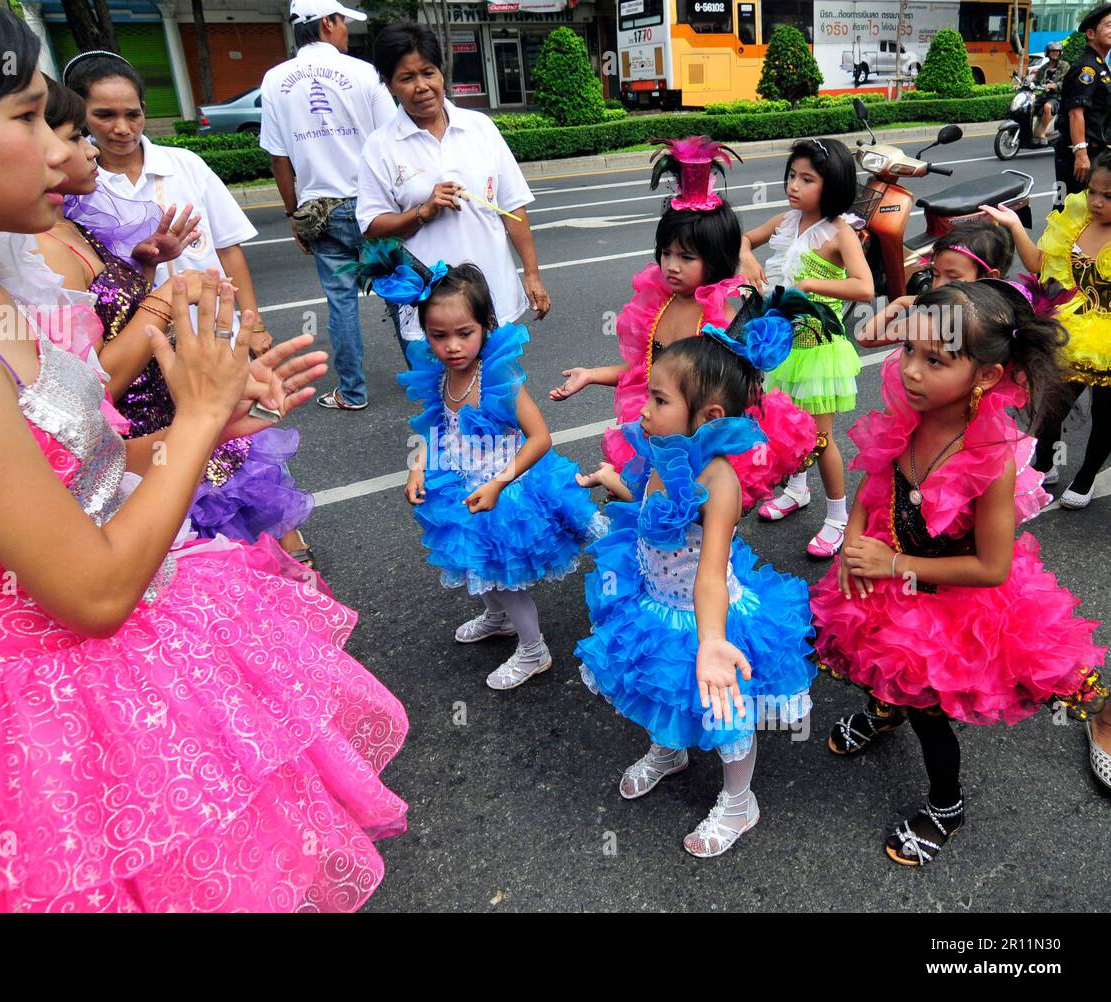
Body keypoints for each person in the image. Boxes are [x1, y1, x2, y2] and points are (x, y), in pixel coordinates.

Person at [0, 0, 407, 911]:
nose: (66, 146)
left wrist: (204, 431)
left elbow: (85, 474)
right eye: (23, 117)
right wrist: (199, 419)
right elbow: (89, 591)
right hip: (31, 708)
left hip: (128, 661)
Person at [811, 280, 1105, 866]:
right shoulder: (910, 414)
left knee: (928, 708)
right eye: (909, 352)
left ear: (988, 376)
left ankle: (946, 804)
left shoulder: (990, 457)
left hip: (950, 599)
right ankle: (882, 708)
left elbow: (992, 567)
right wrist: (853, 533)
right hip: (888, 570)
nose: (913, 372)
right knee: (872, 660)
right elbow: (876, 478)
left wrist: (893, 563)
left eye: (936, 361)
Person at [12, 78, 316, 552]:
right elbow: (88, 384)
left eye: (132, 114)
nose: (96, 146)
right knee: (199, 530)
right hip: (139, 413)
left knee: (245, 492)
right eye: (81, 132)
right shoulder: (41, 248)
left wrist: (148, 264)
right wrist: (168, 296)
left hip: (179, 388)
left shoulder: (79, 219)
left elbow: (223, 251)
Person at [574, 319, 815, 859]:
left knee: (724, 709)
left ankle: (738, 800)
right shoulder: (665, 450)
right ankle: (670, 749)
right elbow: (647, 506)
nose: (641, 410)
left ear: (708, 417)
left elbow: (710, 574)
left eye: (657, 400)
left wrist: (711, 641)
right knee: (662, 687)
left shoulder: (718, 483)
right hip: (657, 605)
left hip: (710, 617)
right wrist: (609, 483)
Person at [356, 248, 602, 690]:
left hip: (506, 490)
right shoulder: (438, 376)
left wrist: (498, 483)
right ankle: (497, 618)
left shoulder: (499, 379)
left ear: (486, 326)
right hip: (460, 486)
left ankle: (533, 650)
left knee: (502, 576)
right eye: (438, 335)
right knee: (475, 565)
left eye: (464, 333)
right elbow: (437, 427)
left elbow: (541, 438)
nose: (451, 346)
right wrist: (417, 466)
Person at [550, 137, 816, 512]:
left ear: (717, 258)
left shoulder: (720, 317)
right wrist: (591, 375)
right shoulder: (661, 302)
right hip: (659, 427)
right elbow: (645, 371)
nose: (672, 265)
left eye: (686, 256)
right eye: (667, 253)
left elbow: (730, 400)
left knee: (690, 521)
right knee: (651, 517)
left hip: (696, 446)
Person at [357, 21, 550, 347]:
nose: (421, 86)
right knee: (445, 395)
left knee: (500, 393)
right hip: (430, 309)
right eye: (407, 78)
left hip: (492, 296)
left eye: (428, 73)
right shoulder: (381, 146)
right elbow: (372, 227)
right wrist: (423, 211)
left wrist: (531, 274)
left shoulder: (480, 128)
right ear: (389, 86)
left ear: (442, 73)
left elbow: (513, 205)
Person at [63, 50, 269, 353]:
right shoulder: (78, 188)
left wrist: (254, 326)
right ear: (81, 115)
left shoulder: (186, 165)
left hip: (214, 335)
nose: (122, 128)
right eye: (105, 115)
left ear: (144, 110)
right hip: (136, 353)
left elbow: (228, 248)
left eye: (132, 114)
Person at [740, 138, 875, 558]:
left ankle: (837, 517)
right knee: (784, 424)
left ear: (831, 184)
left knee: (819, 439)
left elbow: (865, 288)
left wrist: (812, 284)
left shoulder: (839, 232)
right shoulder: (785, 220)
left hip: (818, 349)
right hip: (783, 347)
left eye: (807, 179)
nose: (794, 186)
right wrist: (746, 257)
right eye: (792, 176)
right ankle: (797, 489)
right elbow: (743, 239)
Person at [261, 0, 396, 411]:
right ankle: (428, 382)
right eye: (342, 24)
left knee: (341, 304)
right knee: (400, 294)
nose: (346, 33)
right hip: (371, 207)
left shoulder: (274, 80)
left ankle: (352, 392)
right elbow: (391, 138)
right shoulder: (362, 72)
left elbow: (279, 157)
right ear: (326, 23)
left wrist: (292, 215)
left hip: (319, 211)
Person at [984, 157, 1111, 508]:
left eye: (1109, 196)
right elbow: (1040, 266)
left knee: (1105, 412)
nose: (1097, 201)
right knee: (1049, 404)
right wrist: (1013, 225)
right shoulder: (1078, 219)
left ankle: (1085, 477)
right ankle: (1045, 461)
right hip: (1070, 327)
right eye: (1093, 191)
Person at [858, 219, 1015, 346]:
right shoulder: (932, 316)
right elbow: (866, 338)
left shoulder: (998, 324)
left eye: (953, 278)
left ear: (989, 277)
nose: (938, 285)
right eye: (935, 274)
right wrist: (899, 303)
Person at [1055, 4, 1111, 201]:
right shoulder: (1087, 69)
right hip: (1080, 157)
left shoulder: (1100, 66)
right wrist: (1081, 154)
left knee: (1088, 210)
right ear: (1091, 33)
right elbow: (1075, 113)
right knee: (1067, 208)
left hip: (1096, 152)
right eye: (1109, 26)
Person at [1035, 41, 1070, 142]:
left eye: (1057, 51)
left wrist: (1054, 85)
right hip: (1044, 96)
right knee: (1027, 105)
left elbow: (1067, 82)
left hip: (1058, 97)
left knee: (1048, 107)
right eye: (1052, 51)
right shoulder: (1044, 68)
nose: (1055, 53)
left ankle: (1042, 133)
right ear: (1048, 53)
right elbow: (1035, 80)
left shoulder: (1064, 66)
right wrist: (1025, 84)